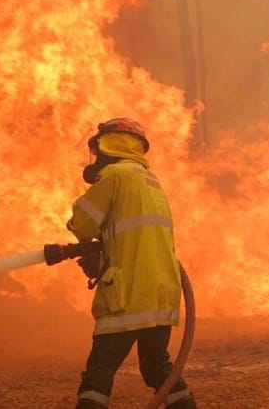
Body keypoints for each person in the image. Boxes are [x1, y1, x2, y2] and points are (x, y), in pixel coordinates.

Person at [67, 117, 197, 409]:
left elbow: (83, 224)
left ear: (109, 145)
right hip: (161, 293)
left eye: (97, 150)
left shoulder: (114, 176)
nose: (96, 158)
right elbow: (135, 237)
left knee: (99, 371)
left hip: (127, 295)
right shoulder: (152, 182)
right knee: (156, 368)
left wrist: (75, 226)